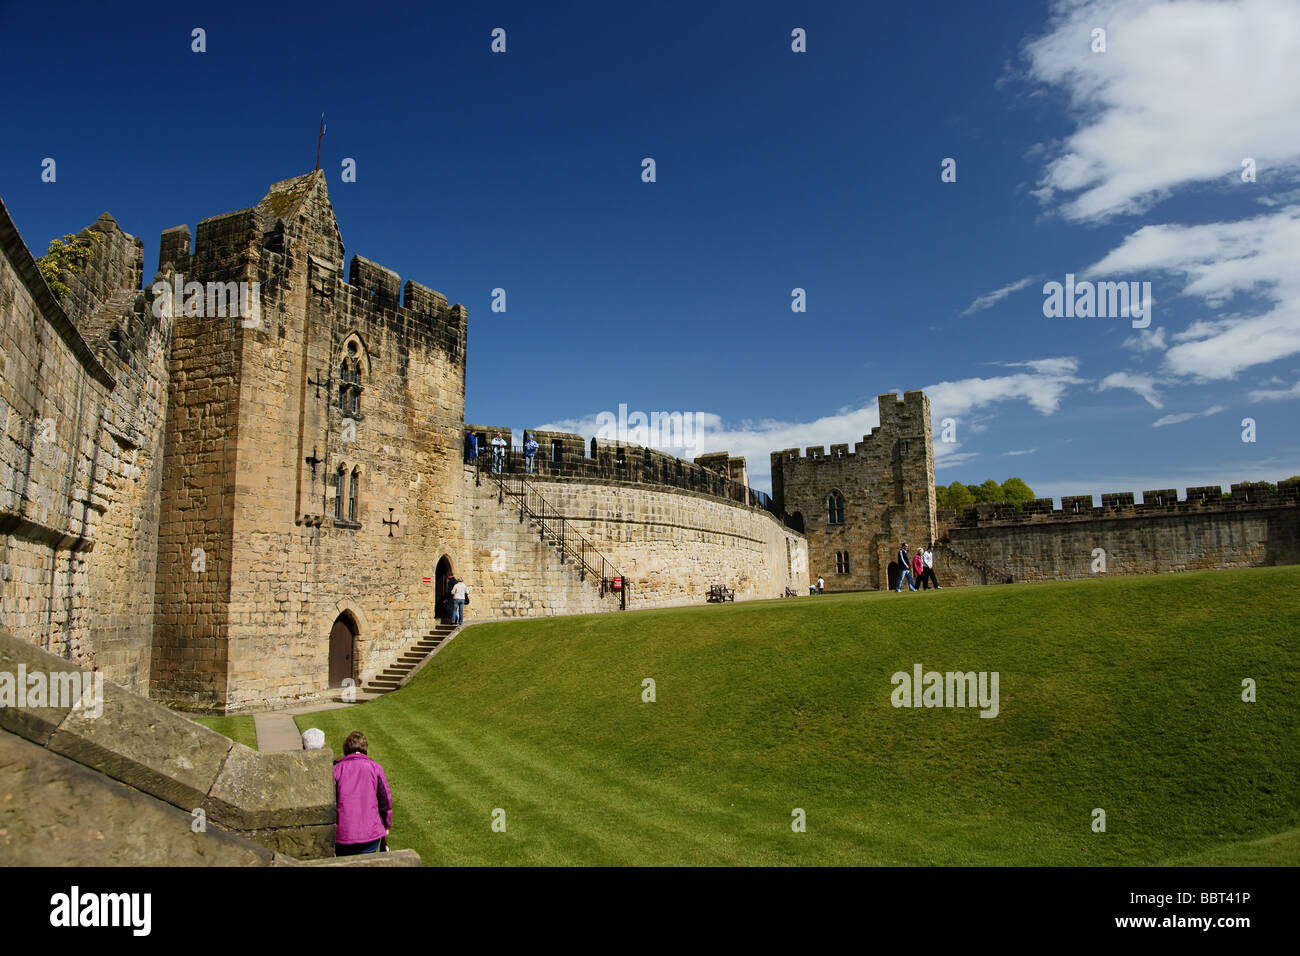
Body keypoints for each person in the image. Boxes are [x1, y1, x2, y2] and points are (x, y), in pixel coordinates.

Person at [333, 730, 392, 856]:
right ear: (366, 749)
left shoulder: (336, 770)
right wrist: (386, 825)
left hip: (344, 834)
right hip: (370, 834)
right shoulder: (375, 768)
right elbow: (385, 800)